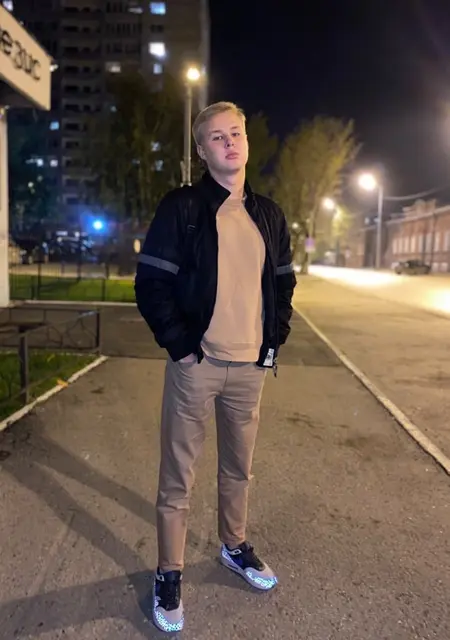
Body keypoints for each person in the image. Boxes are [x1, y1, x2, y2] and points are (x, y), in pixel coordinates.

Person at [135, 101, 296, 633]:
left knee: (238, 470)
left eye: (236, 133)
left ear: (246, 141)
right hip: (196, 366)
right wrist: (181, 347)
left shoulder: (268, 215)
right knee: (177, 477)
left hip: (250, 370)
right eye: (217, 137)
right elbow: (151, 283)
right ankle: (169, 572)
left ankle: (234, 545)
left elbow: (283, 283)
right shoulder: (182, 207)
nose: (229, 143)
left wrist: (273, 341)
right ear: (202, 151)